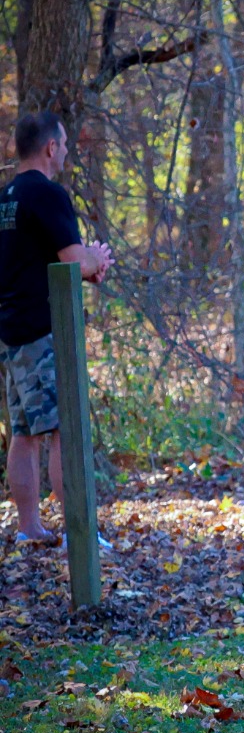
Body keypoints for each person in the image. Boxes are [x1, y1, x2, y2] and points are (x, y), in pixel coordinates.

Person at [0, 112, 113, 543]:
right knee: (65, 428)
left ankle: (30, 529)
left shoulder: (5, 197)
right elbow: (74, 261)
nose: (65, 151)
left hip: (9, 332)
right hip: (41, 331)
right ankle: (79, 534)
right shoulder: (46, 194)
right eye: (63, 144)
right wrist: (96, 259)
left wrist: (87, 262)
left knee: (24, 433)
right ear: (50, 148)